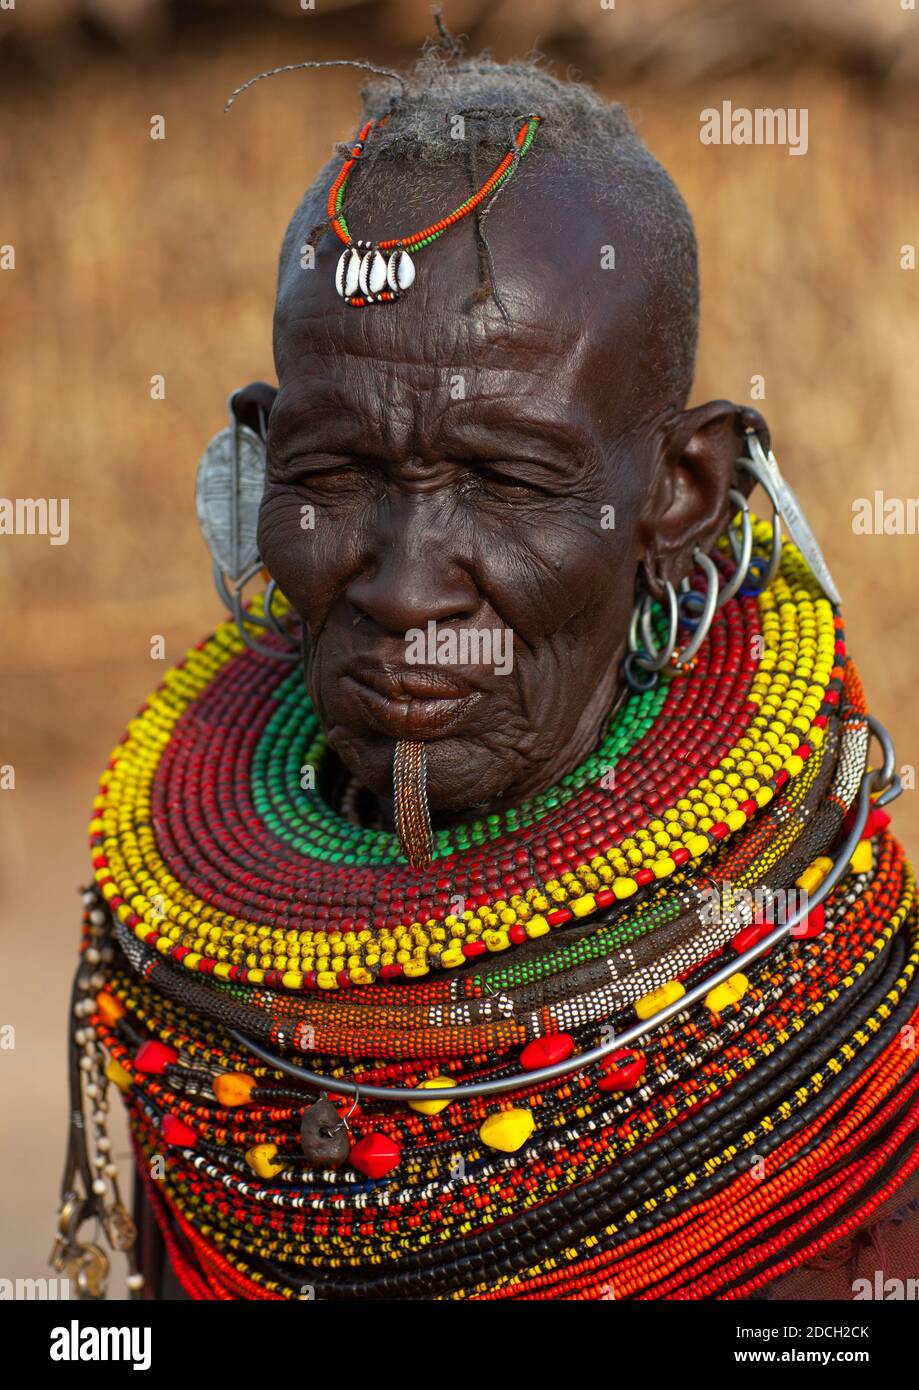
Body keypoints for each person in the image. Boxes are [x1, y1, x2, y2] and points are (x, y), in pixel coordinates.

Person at [54, 30, 918, 1301]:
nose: (403, 588)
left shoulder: (824, 994)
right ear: (257, 458)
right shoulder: (174, 948)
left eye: (508, 479)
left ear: (682, 490)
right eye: (332, 472)